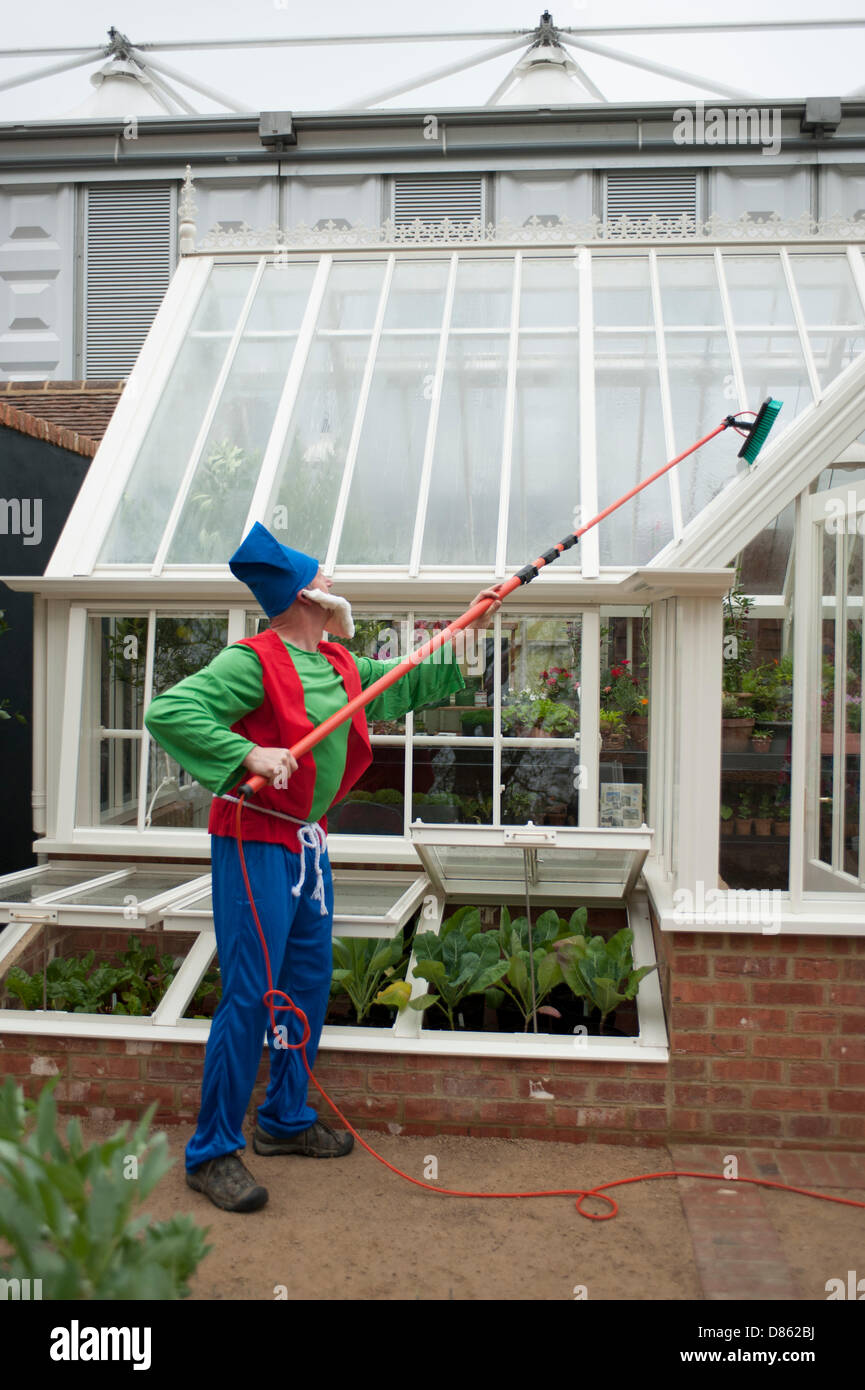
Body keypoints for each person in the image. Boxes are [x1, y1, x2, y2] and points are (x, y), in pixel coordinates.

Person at [144, 521, 501, 1213]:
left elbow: (407, 680)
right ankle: (211, 1151)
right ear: (304, 592)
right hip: (253, 840)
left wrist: (476, 624)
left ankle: (282, 1119)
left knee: (307, 981)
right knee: (251, 992)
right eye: (325, 575)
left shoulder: (338, 664)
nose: (335, 581)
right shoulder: (251, 662)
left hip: (306, 841)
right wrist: (248, 756)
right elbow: (170, 710)